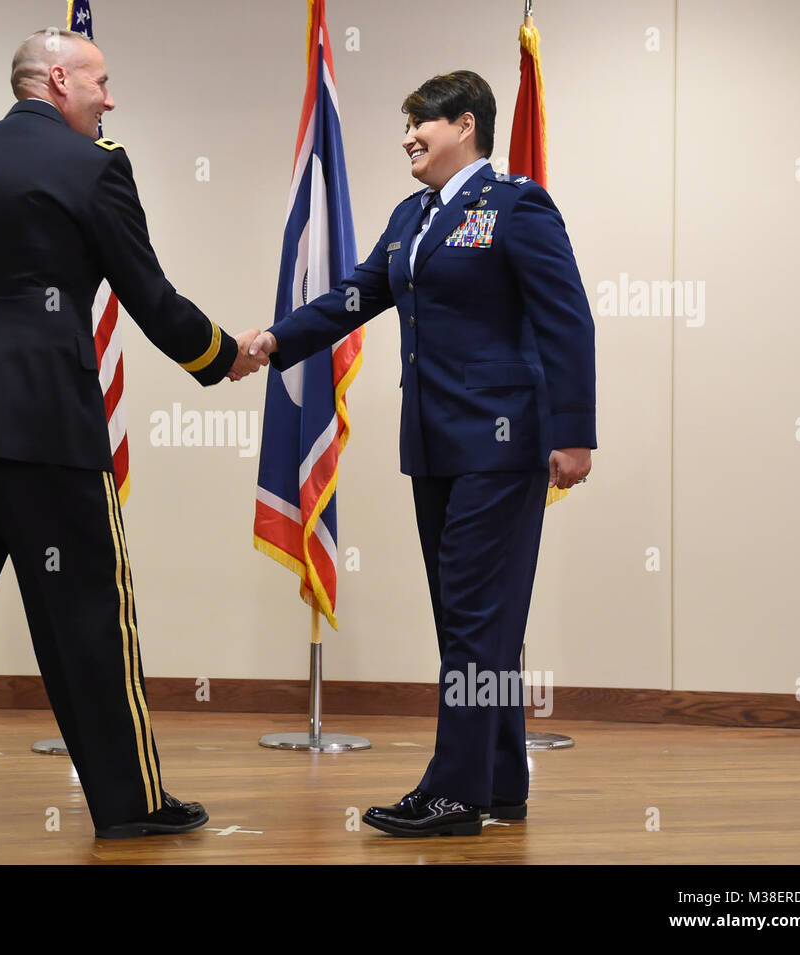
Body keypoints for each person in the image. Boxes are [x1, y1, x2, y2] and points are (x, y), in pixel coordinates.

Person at [0, 28, 265, 839]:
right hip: (50, 433)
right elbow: (149, 293)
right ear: (59, 80)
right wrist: (221, 354)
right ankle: (130, 806)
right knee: (88, 613)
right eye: (102, 83)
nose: (111, 99)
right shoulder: (96, 167)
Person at [249, 70, 595, 837]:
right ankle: (500, 780)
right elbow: (354, 296)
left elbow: (567, 318)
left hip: (503, 446)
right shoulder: (413, 216)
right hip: (434, 448)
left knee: (474, 620)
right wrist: (274, 341)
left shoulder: (517, 205)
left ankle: (454, 791)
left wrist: (574, 431)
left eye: (421, 123)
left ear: (464, 124)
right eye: (406, 124)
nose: (408, 136)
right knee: (471, 620)